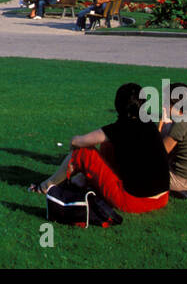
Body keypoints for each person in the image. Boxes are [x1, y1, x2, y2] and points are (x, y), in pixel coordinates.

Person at [28, 82, 170, 214]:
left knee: (82, 152)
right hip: (162, 198)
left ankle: (45, 187)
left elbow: (78, 142)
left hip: (133, 201)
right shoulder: (149, 124)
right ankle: (81, 181)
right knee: (107, 145)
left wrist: (73, 144)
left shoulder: (119, 129)